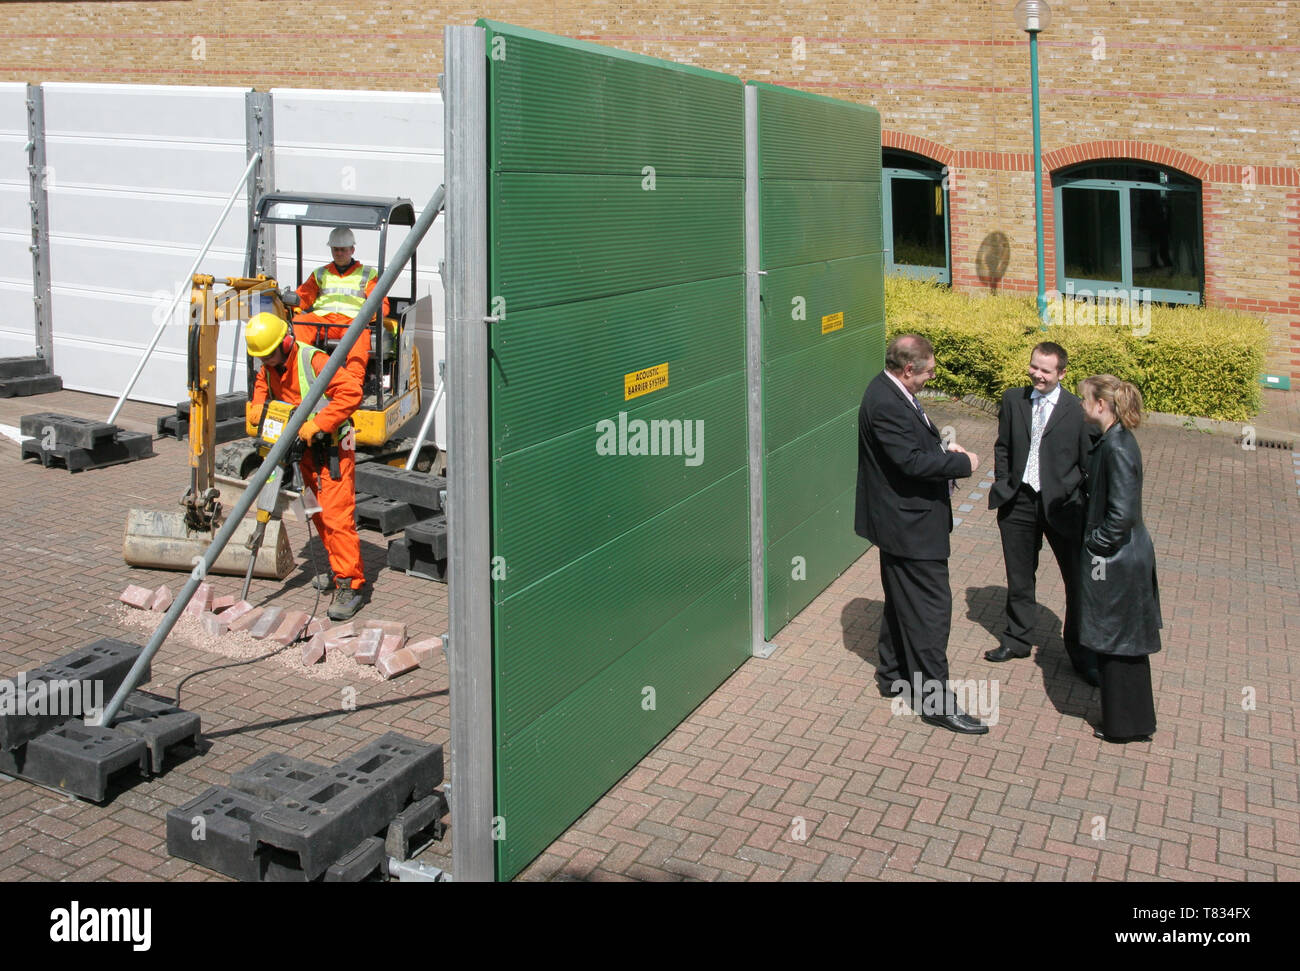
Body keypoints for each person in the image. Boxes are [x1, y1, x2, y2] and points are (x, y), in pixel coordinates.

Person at [855, 334, 987, 734]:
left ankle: (892, 674)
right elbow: (910, 462)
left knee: (901, 599)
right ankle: (936, 703)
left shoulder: (890, 390)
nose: (932, 377)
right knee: (931, 612)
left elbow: (917, 441)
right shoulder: (884, 403)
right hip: (909, 527)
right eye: (929, 371)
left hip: (901, 523)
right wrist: (962, 463)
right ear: (909, 368)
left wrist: (944, 447)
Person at [986, 342, 1099, 684]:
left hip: (1062, 508)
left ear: (1062, 373)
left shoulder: (1078, 412)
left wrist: (1076, 498)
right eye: (1034, 366)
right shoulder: (1012, 400)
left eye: (1046, 370)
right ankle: (1018, 639)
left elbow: (1088, 465)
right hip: (1018, 500)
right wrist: (1004, 481)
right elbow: (1003, 446)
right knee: (1020, 575)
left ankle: (1080, 653)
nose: (1037, 374)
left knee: (1076, 581)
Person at [246, 312, 367, 621]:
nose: (267, 363)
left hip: (333, 447)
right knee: (313, 512)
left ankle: (350, 585)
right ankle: (338, 566)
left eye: (270, 355)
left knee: (337, 516)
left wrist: (316, 424)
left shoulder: (312, 360)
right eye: (261, 358)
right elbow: (260, 401)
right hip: (303, 450)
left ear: (285, 342)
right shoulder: (266, 368)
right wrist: (259, 418)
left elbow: (352, 392)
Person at [1078, 374, 1162, 743]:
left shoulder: (1118, 448)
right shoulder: (1113, 442)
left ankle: (1123, 726)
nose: (1081, 404)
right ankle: (1131, 721)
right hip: (1122, 556)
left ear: (1101, 405)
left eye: (1085, 399)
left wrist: (1095, 546)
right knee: (1123, 644)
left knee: (1118, 644)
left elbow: (1121, 515)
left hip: (1119, 561)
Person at [293, 226, 389, 389]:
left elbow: (381, 304)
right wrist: (292, 303)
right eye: (335, 249)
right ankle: (298, 377)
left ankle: (352, 386)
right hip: (324, 321)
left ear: (352, 249)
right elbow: (303, 296)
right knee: (299, 323)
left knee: (360, 334)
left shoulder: (367, 274)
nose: (338, 253)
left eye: (343, 250)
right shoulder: (321, 273)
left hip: (352, 322)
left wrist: (369, 316)